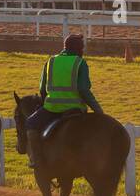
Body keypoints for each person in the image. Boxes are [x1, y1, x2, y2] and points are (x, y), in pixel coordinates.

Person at [24, 34, 102, 168]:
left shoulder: (50, 62)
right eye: (81, 48)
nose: (83, 51)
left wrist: (43, 104)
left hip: (51, 108)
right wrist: (98, 111)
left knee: (30, 123)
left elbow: (42, 89)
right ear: (76, 49)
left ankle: (36, 159)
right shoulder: (80, 63)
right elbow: (83, 90)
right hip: (75, 109)